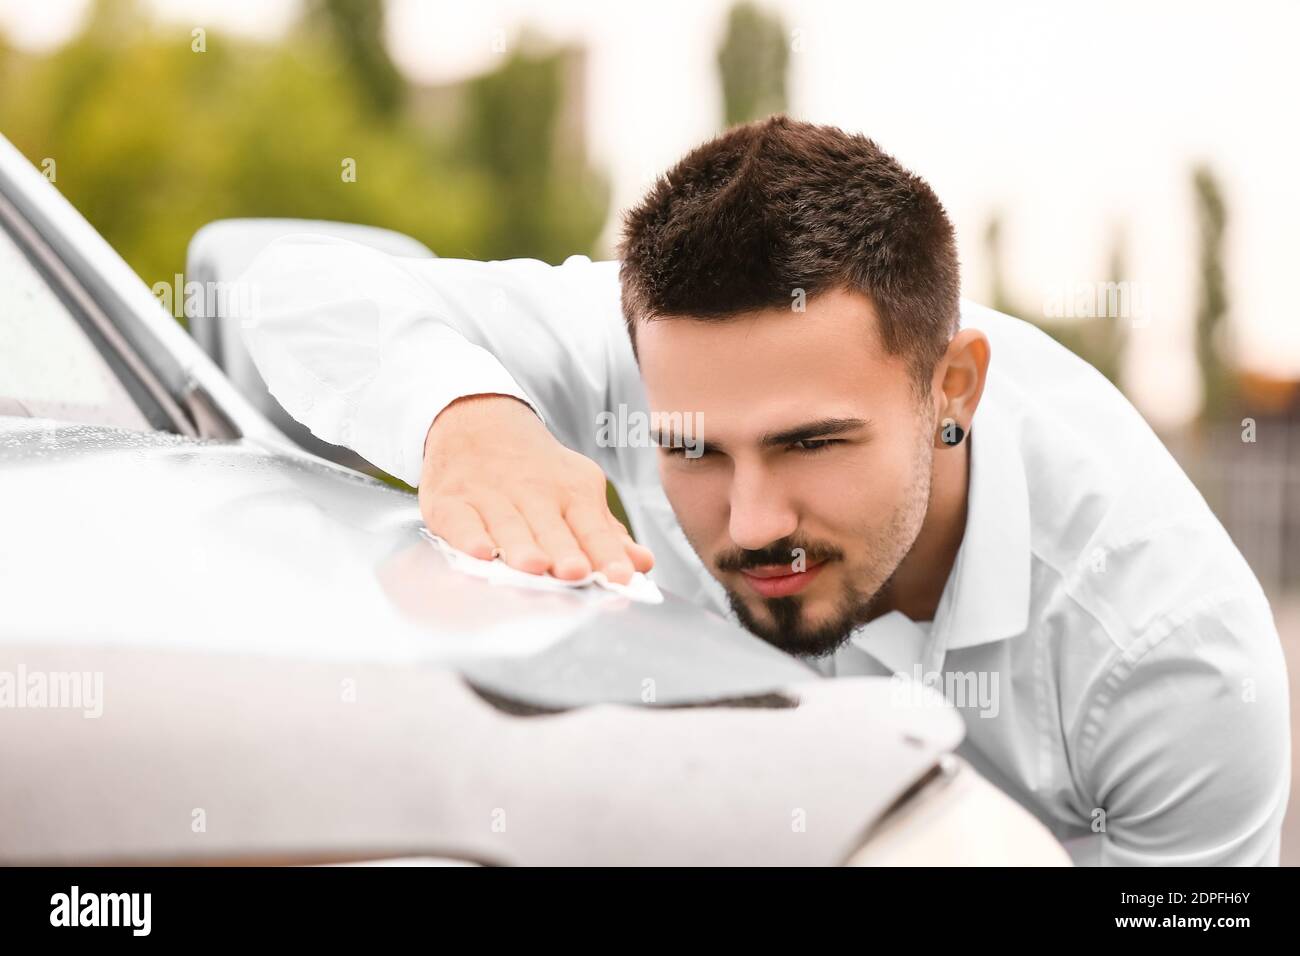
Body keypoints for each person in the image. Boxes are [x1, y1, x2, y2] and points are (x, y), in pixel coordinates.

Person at [240, 114, 1290, 865]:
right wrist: (466, 419)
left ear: (951, 386)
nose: (749, 525)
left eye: (810, 443)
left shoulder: (1172, 668)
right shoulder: (648, 346)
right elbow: (287, 288)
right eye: (691, 451)